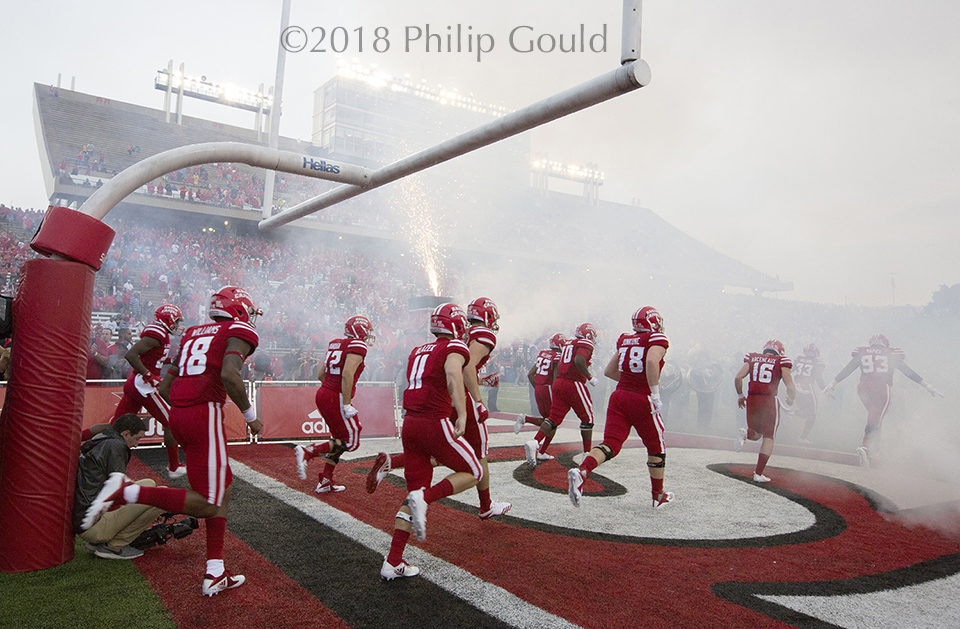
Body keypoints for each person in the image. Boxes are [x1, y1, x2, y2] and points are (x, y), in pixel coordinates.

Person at [83, 286, 264, 597]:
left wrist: (186, 405)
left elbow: (166, 386)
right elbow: (230, 375)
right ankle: (126, 491)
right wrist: (251, 417)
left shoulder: (193, 332)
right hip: (203, 413)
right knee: (208, 502)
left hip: (179, 413)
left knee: (223, 488)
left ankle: (215, 571)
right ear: (238, 310)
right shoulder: (237, 330)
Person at [367, 298, 511, 520]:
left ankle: (392, 463)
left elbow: (457, 369)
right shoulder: (484, 334)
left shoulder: (444, 341)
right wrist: (478, 400)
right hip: (461, 398)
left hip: (441, 399)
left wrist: (482, 381)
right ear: (488, 316)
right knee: (478, 453)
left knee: (443, 448)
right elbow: (465, 368)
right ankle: (486, 506)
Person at [379, 303, 482, 580]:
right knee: (474, 471)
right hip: (433, 422)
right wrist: (462, 414)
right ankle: (424, 498)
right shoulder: (454, 347)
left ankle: (393, 560)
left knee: (413, 494)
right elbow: (452, 374)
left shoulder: (417, 350)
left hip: (410, 425)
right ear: (456, 325)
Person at [568, 307, 673, 509]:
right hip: (642, 399)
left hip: (619, 396)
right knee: (656, 447)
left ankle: (582, 471)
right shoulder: (656, 338)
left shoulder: (625, 340)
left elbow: (609, 371)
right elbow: (651, 361)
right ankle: (657, 495)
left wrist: (629, 383)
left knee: (611, 443)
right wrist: (654, 393)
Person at [83, 306, 187, 478]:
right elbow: (131, 355)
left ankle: (76, 438)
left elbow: (154, 358)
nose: (177, 325)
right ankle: (174, 467)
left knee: (115, 426)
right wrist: (148, 375)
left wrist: (171, 360)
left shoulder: (161, 335)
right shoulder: (157, 334)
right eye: (175, 321)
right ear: (167, 319)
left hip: (136, 384)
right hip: (143, 386)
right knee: (171, 421)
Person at [823, 334, 941, 467]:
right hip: (881, 387)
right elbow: (908, 372)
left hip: (863, 388)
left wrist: (832, 384)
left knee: (876, 417)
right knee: (875, 420)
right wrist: (928, 386)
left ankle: (877, 451)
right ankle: (865, 447)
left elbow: (848, 369)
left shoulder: (862, 352)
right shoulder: (891, 353)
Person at [295, 315, 376, 493]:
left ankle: (325, 479)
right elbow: (347, 374)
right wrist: (345, 403)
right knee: (351, 440)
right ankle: (309, 451)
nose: (369, 334)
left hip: (324, 392)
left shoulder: (336, 343)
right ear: (359, 330)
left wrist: (330, 390)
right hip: (336, 395)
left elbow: (320, 375)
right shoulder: (357, 345)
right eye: (367, 330)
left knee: (338, 439)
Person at [73, 414, 165, 559]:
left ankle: (99, 542)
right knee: (161, 497)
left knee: (149, 483)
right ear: (126, 434)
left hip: (85, 514)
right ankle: (113, 547)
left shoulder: (104, 438)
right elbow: (118, 489)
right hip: (92, 524)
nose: (136, 445)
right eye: (137, 438)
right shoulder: (117, 446)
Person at [524, 322, 600, 467]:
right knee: (588, 418)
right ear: (588, 335)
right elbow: (579, 360)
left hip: (559, 382)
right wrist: (590, 377)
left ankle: (534, 442)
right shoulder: (584, 343)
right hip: (573, 382)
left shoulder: (569, 343)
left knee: (553, 419)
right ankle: (586, 454)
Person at [733, 340, 796, 482]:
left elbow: (738, 377)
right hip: (768, 400)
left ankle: (746, 433)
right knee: (768, 437)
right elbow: (791, 387)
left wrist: (740, 396)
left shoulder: (753, 357)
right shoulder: (781, 361)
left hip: (752, 398)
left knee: (755, 434)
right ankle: (758, 473)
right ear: (780, 351)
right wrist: (791, 400)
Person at [513, 333, 566, 456]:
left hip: (539, 388)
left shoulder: (543, 353)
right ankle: (541, 451)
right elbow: (555, 380)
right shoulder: (557, 356)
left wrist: (538, 387)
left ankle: (526, 419)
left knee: (547, 421)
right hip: (548, 388)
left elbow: (530, 374)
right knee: (553, 422)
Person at [793, 343, 826, 444]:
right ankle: (803, 438)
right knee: (812, 414)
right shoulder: (818, 362)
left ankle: (790, 412)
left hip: (796, 387)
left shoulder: (799, 358)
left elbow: (790, 370)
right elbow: (818, 377)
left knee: (805, 413)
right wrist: (825, 388)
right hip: (807, 389)